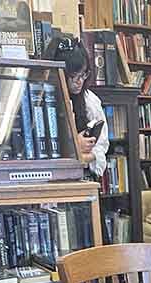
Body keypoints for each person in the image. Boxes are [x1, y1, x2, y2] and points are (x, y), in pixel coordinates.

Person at [44, 34, 109, 179]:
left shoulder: (90, 101)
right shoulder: (44, 98)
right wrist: (73, 146)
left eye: (83, 74)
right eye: (74, 76)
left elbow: (101, 147)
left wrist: (83, 154)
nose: (79, 81)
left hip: (82, 177)